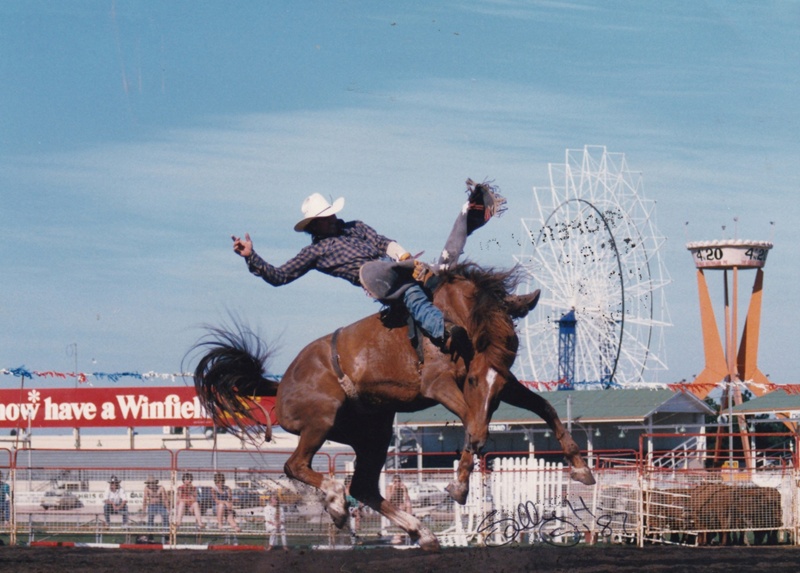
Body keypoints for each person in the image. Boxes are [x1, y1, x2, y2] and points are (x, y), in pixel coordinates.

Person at [232, 182, 503, 349]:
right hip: (376, 279)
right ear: (315, 224)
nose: (334, 217)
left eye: (332, 212)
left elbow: (383, 242)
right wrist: (251, 257)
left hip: (395, 267)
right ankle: (442, 331)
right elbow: (280, 275)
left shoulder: (355, 226)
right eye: (327, 216)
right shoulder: (314, 252)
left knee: (445, 269)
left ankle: (469, 215)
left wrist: (403, 256)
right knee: (408, 291)